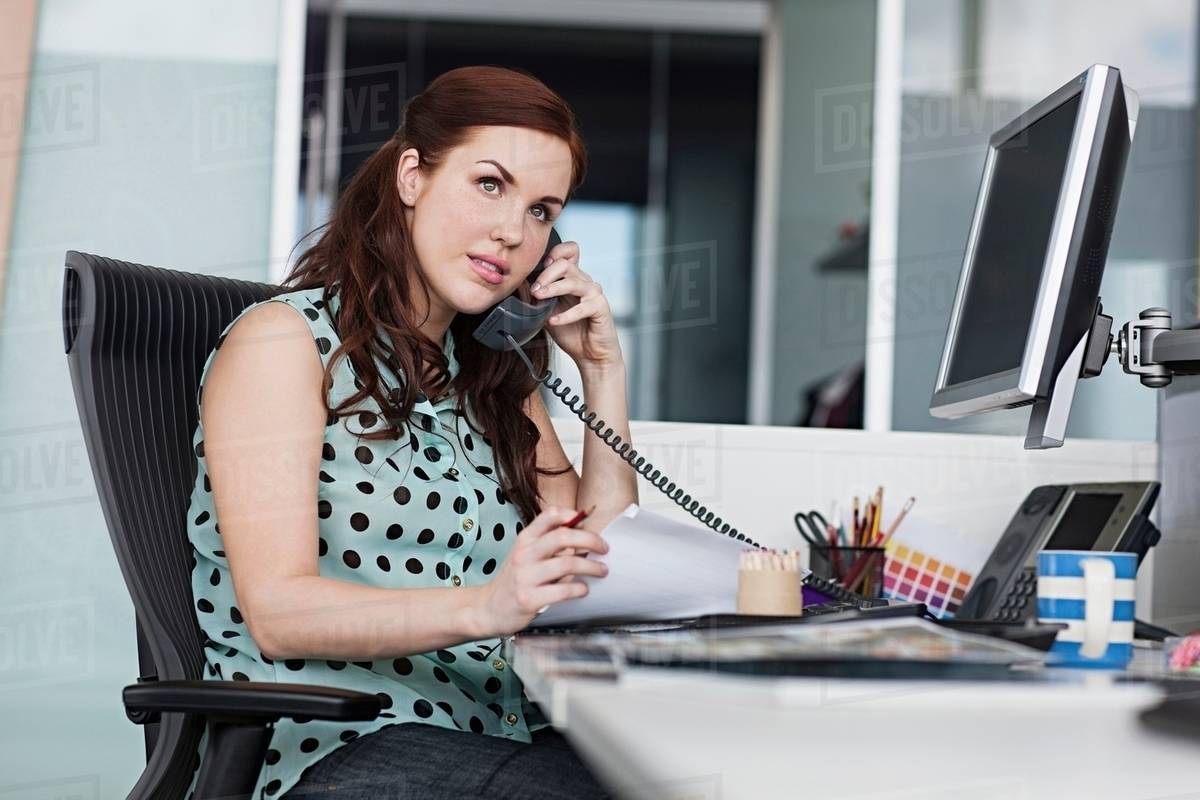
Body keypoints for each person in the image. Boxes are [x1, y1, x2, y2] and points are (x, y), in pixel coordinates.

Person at [184, 65, 637, 799]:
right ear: (411, 177)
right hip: (332, 746)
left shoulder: (493, 379)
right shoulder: (284, 345)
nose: (512, 232)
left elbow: (603, 568)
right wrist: (488, 605)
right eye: (489, 184)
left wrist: (602, 371)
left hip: (493, 739)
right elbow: (278, 610)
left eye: (540, 211)